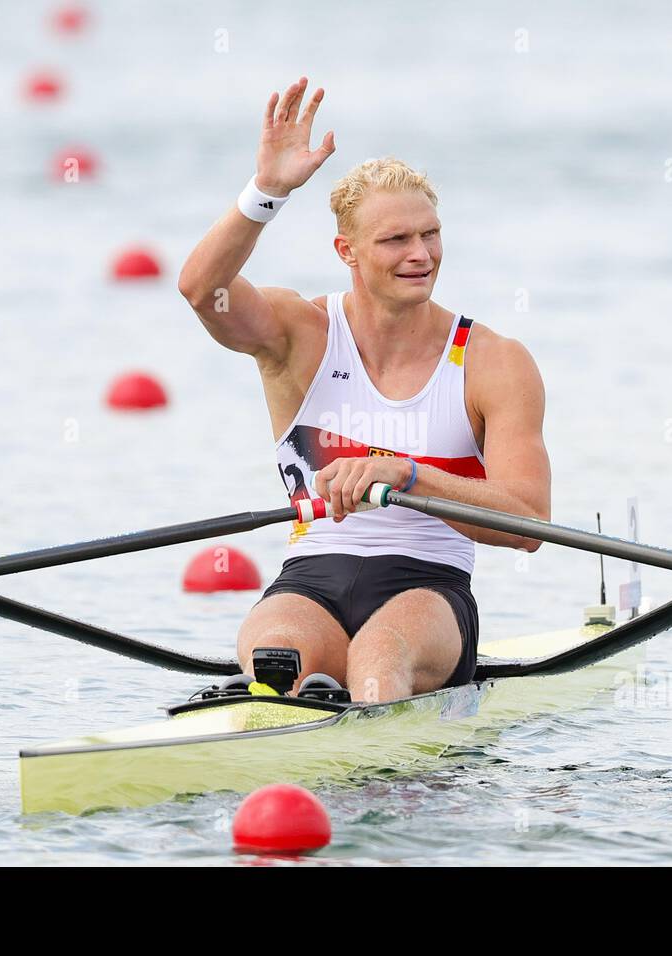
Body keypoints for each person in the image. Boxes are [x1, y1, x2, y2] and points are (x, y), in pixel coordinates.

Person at [178, 77, 550, 702]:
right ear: (346, 251)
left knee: (378, 664)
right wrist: (265, 192)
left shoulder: (494, 361)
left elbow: (529, 523)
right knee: (275, 657)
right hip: (310, 579)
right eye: (396, 240)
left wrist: (408, 475)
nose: (422, 255)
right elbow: (200, 290)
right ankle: (293, 712)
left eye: (430, 234)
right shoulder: (300, 334)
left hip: (429, 589)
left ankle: (368, 731)